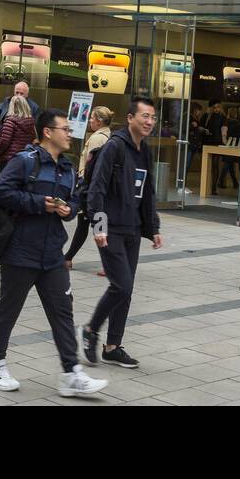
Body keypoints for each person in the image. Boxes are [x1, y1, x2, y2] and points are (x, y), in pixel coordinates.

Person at [0, 107, 107, 398]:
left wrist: (68, 210)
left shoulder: (66, 167)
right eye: (65, 128)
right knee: (9, 309)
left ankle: (71, 373)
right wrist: (40, 203)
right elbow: (0, 192)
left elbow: (76, 200)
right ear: (48, 132)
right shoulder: (24, 161)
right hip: (20, 250)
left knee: (62, 312)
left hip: (52, 254)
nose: (70, 134)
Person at [82, 96, 164, 371]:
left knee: (126, 290)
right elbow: (97, 189)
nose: (149, 122)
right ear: (130, 118)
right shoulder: (114, 147)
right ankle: (91, 330)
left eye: (152, 117)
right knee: (122, 285)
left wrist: (153, 228)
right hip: (111, 228)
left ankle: (112, 347)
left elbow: (148, 191)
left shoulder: (145, 151)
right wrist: (99, 225)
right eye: (144, 116)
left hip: (132, 228)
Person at [65, 106, 112, 270]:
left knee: (96, 223)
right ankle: (68, 258)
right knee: (87, 223)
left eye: (92, 118)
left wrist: (83, 182)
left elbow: (92, 165)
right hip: (93, 187)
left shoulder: (98, 138)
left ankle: (109, 263)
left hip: (91, 187)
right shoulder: (105, 135)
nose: (90, 120)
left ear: (99, 121)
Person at [0, 95, 36, 167]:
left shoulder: (10, 122)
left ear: (12, 106)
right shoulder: (30, 122)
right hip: (24, 158)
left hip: (9, 159)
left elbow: (4, 141)